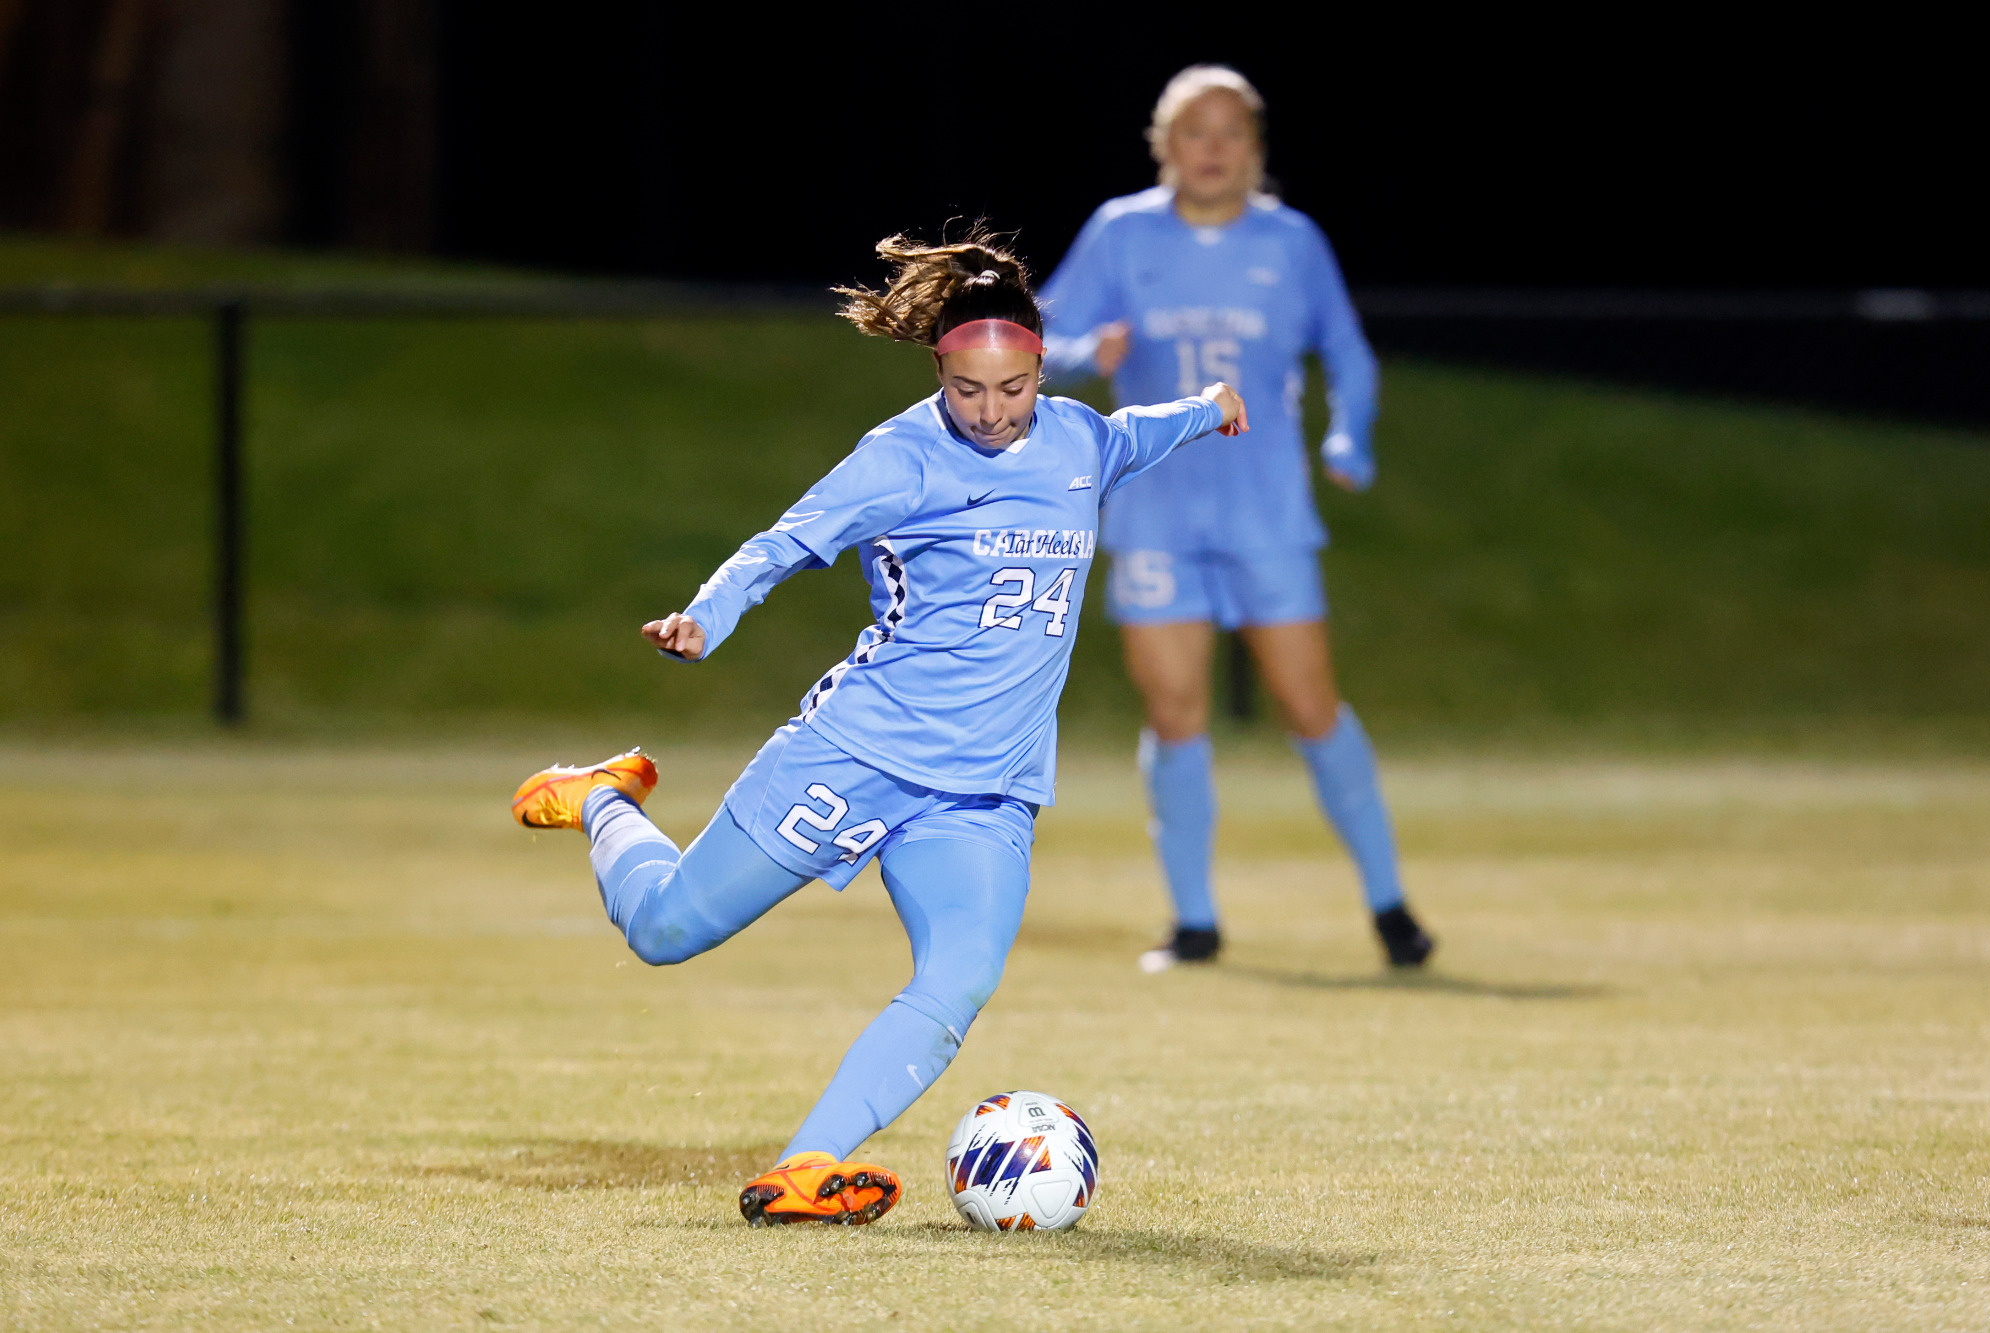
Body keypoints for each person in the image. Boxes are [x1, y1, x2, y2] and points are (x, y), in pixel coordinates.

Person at [510, 231, 1244, 1226]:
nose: (992, 409)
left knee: (959, 977)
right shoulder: (899, 457)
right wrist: (705, 618)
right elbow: (782, 543)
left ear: (1040, 367)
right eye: (968, 388)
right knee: (665, 930)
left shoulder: (1079, 440)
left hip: (984, 792)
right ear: (938, 365)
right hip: (857, 751)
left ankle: (805, 1167)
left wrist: (1212, 407)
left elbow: (1141, 430)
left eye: (1014, 387)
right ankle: (601, 798)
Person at [1038, 64, 1435, 972]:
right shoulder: (1121, 232)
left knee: (1309, 704)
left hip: (1266, 513)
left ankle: (1390, 906)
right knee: (1173, 710)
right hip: (1155, 511)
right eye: (1193, 130)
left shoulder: (1291, 242)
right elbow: (1036, 343)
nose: (1211, 149)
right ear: (1164, 145)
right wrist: (1085, 349)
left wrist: (1349, 435)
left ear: (1254, 148)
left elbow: (1347, 352)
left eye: (1229, 132)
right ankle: (1195, 922)